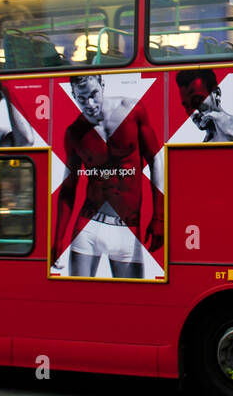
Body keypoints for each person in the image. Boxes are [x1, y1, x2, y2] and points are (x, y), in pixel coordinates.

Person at [52, 74, 164, 279]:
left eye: (94, 94)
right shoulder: (74, 132)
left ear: (103, 85)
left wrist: (159, 218)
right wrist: (59, 239)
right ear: (73, 96)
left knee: (133, 304)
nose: (90, 104)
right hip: (88, 225)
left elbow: (156, 161)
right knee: (78, 300)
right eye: (82, 98)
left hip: (127, 228)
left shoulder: (131, 110)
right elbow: (68, 188)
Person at [175, 69, 233, 142]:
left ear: (216, 94)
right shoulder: (205, 144)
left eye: (197, 100)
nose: (194, 112)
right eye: (187, 106)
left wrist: (229, 133)